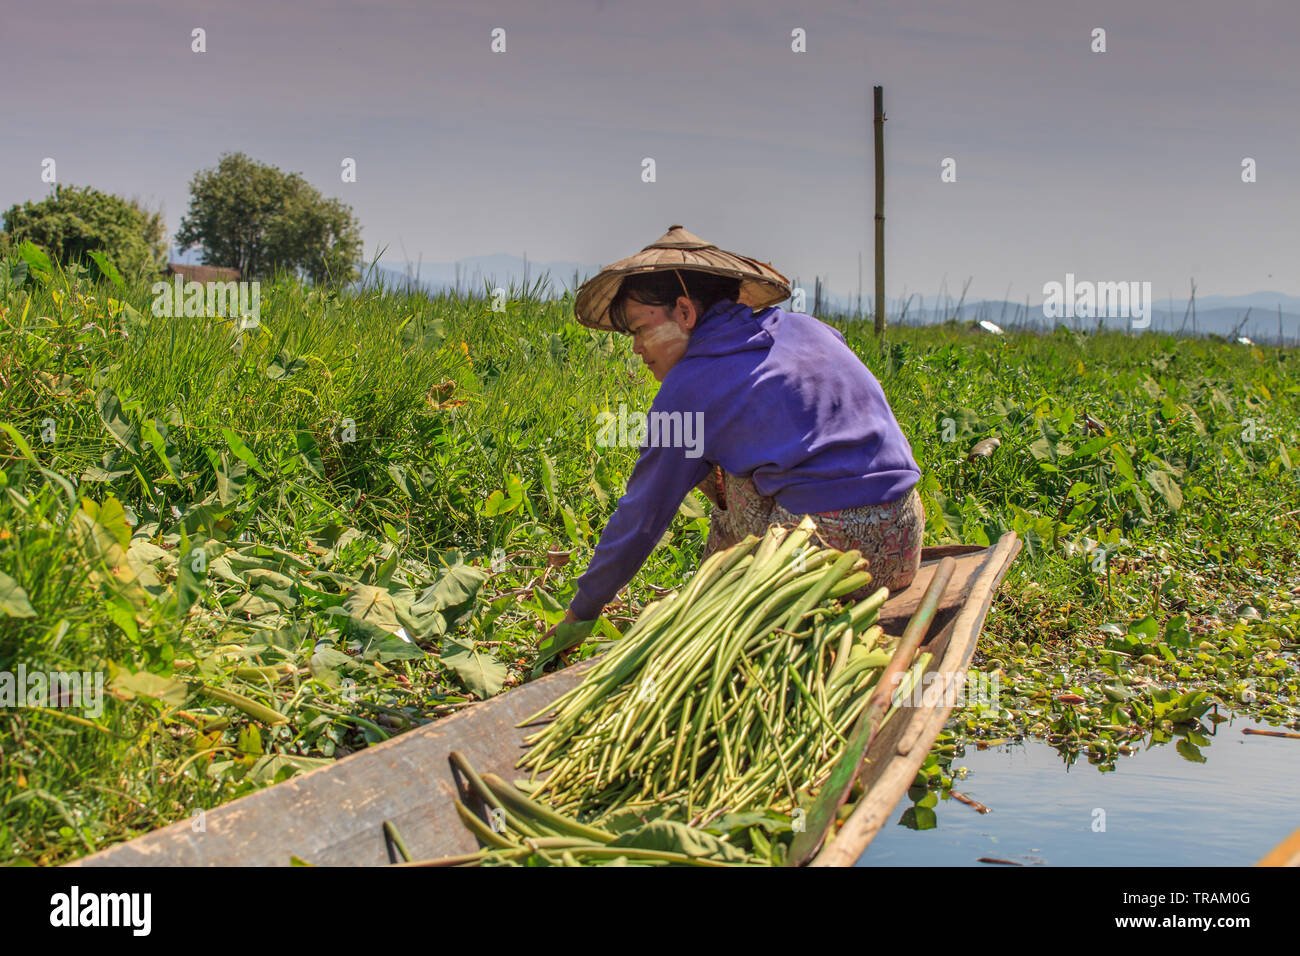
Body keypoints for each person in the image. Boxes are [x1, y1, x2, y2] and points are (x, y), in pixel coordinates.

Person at [550, 225, 924, 637]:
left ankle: (716, 594)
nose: (637, 348)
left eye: (640, 329)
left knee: (717, 470)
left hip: (821, 561)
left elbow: (643, 514)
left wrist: (581, 614)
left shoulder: (690, 385)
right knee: (723, 453)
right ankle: (717, 589)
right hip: (903, 539)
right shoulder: (808, 328)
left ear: (685, 312)